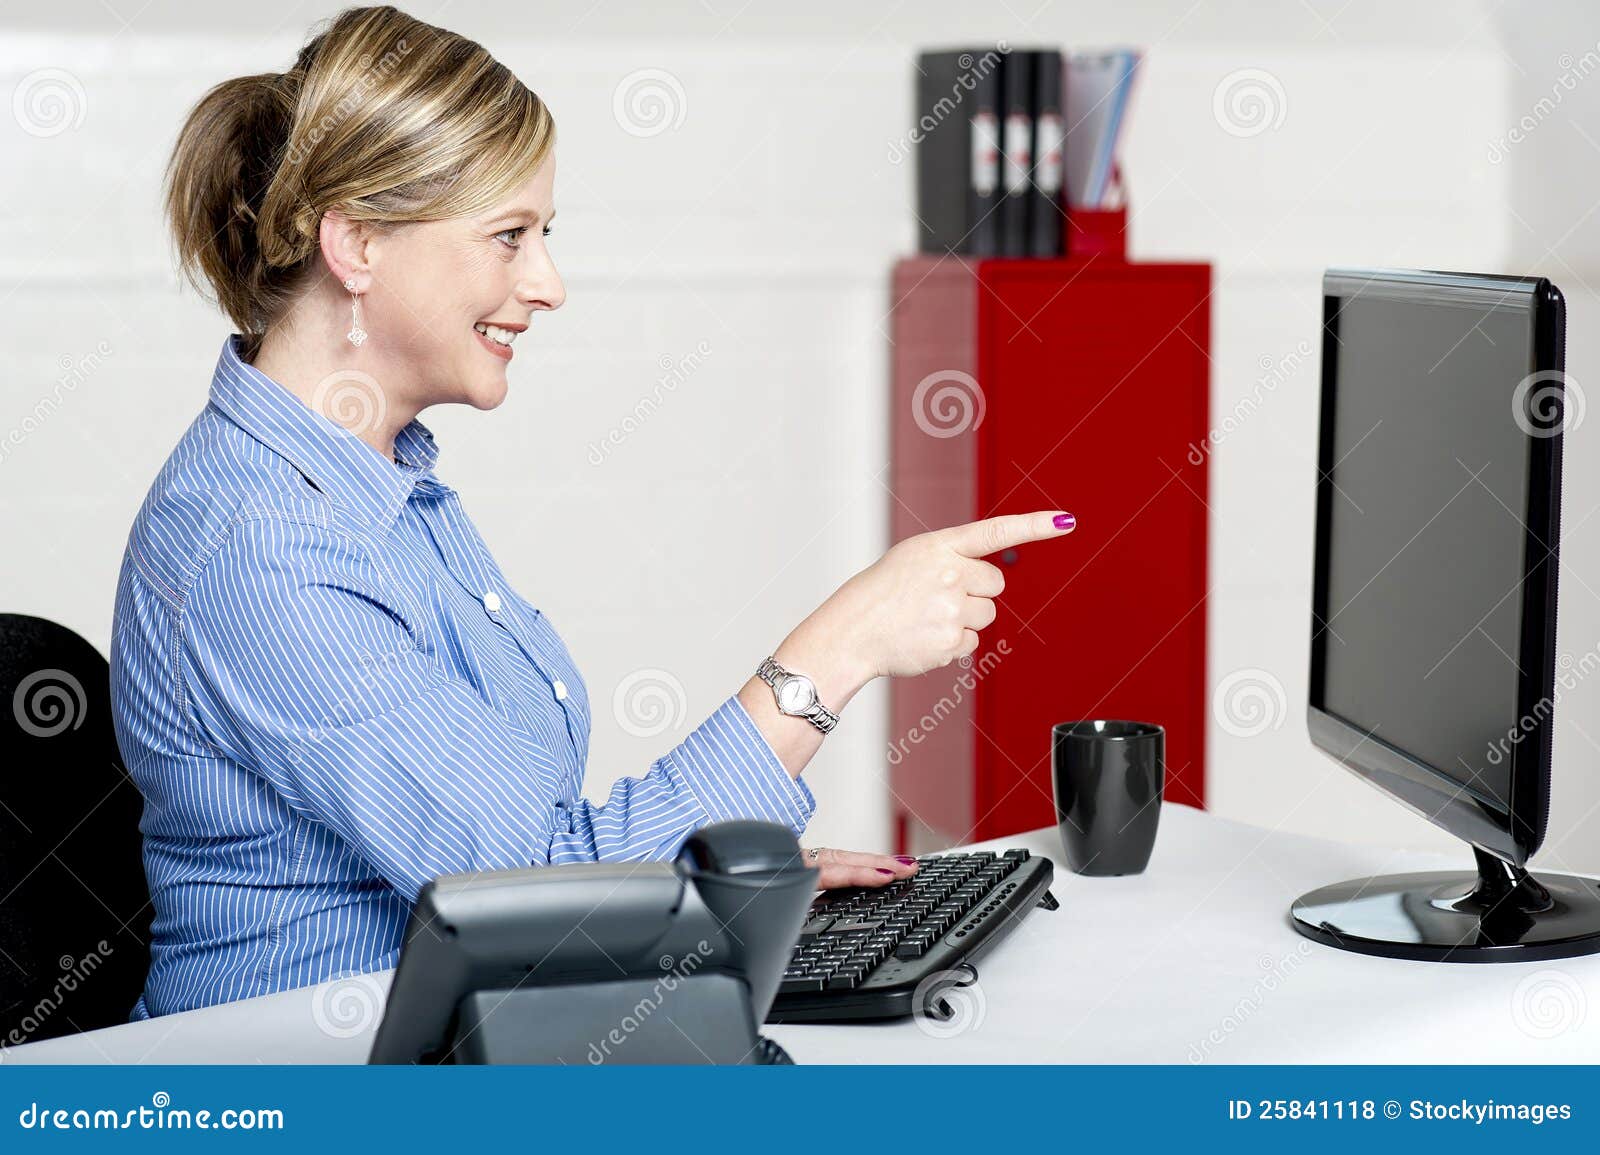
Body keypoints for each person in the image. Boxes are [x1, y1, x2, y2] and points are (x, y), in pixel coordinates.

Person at [111, 4, 1077, 1018]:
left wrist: (697, 882)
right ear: (356, 244)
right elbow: (533, 885)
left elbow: (518, 851)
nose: (548, 284)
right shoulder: (261, 546)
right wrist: (839, 650)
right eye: (509, 237)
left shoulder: (379, 481)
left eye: (546, 236)